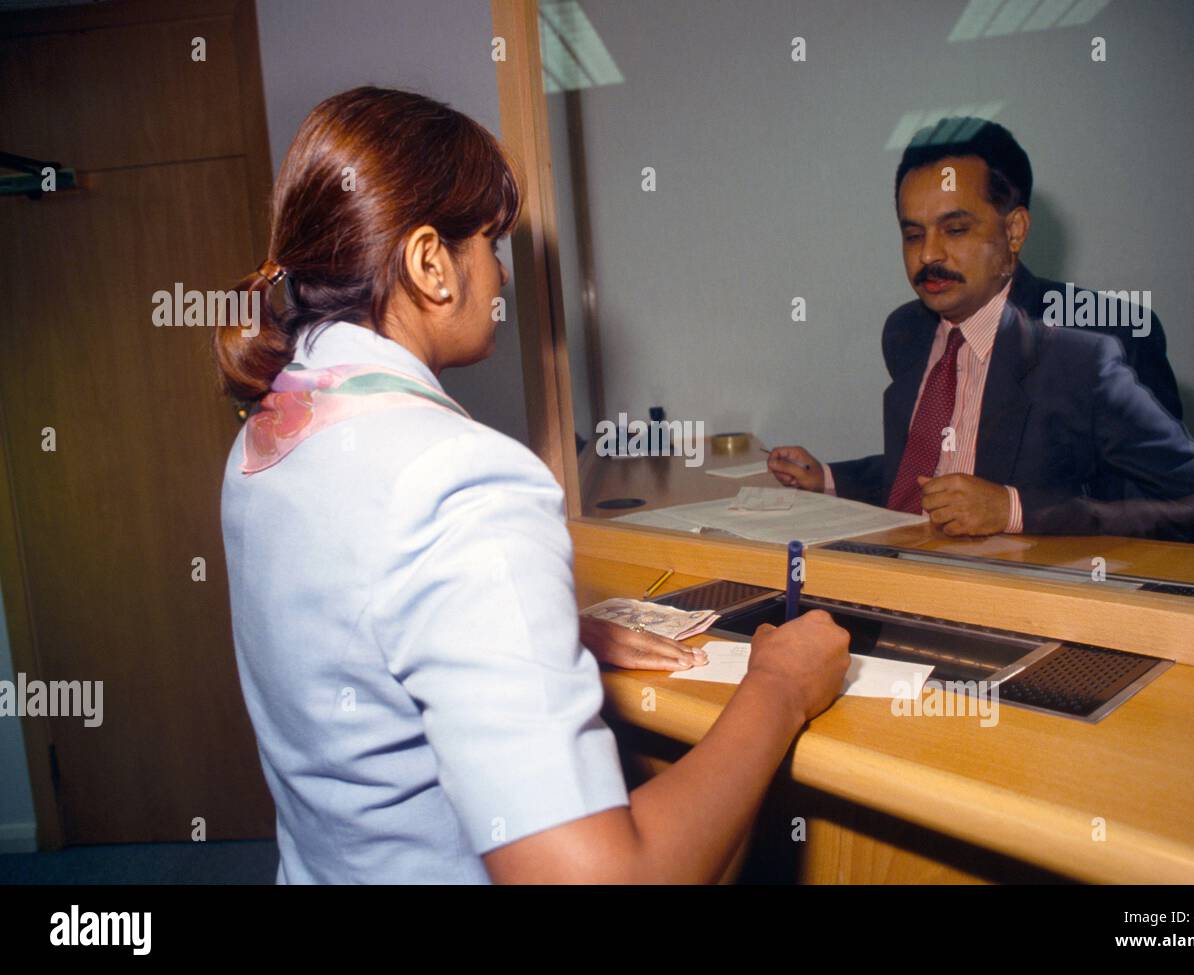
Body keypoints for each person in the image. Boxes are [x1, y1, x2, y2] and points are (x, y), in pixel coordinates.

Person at [215, 87, 849, 884]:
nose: (502, 275)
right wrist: (779, 687)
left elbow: (351, 631)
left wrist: (532, 633)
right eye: (489, 241)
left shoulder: (267, 435)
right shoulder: (461, 480)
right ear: (429, 263)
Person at [768, 118, 1194, 540]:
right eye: (913, 235)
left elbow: (1193, 503)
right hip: (910, 582)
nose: (928, 255)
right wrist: (829, 478)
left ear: (1014, 231)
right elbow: (942, 464)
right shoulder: (907, 332)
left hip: (1036, 606)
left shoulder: (1097, 339)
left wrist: (1013, 510)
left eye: (955, 230)